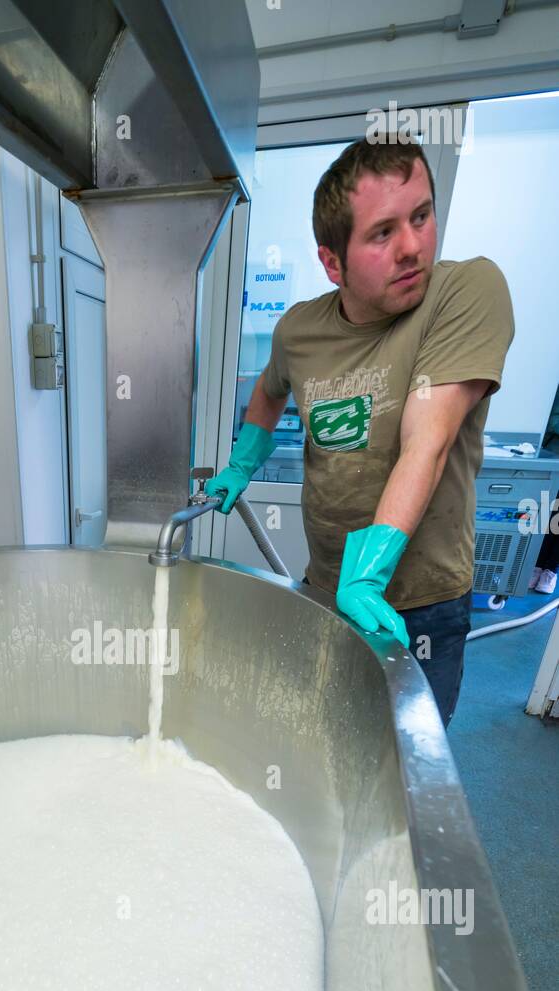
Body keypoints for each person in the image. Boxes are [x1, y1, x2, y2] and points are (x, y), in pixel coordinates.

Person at [207, 138, 515, 726]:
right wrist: (242, 463)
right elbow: (270, 390)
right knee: (320, 732)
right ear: (332, 262)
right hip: (323, 585)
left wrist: (368, 577)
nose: (412, 247)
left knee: (397, 762)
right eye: (382, 233)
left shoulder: (465, 292)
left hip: (418, 605)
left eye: (421, 217)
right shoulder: (299, 329)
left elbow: (427, 442)